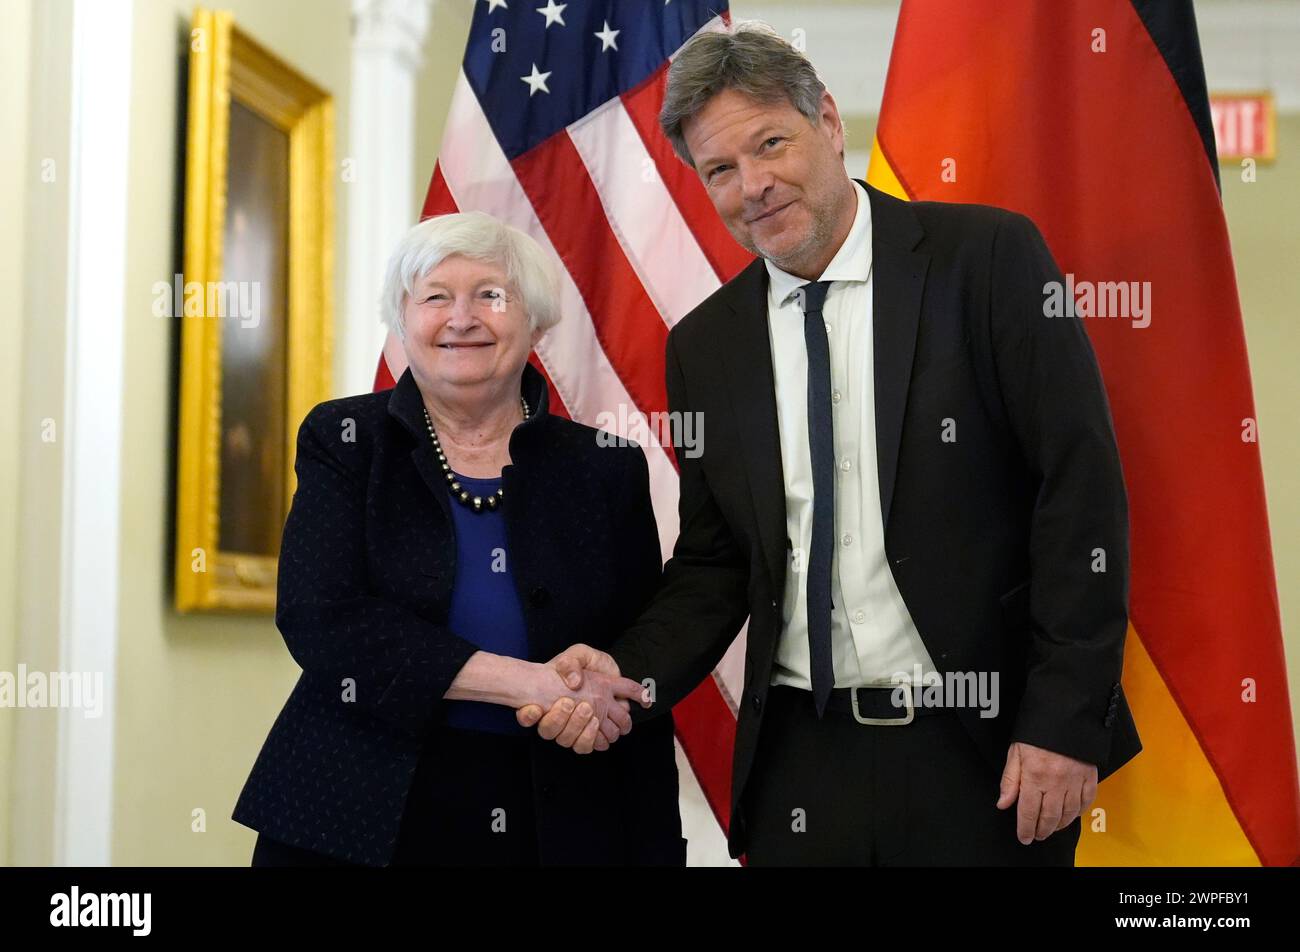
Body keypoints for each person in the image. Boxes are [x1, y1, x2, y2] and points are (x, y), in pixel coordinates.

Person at [519, 22, 1142, 866]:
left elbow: (1078, 495)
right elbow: (715, 563)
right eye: (720, 171)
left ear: (828, 120)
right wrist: (627, 670)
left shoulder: (987, 259)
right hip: (800, 767)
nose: (755, 186)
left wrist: (1066, 724)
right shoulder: (705, 343)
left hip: (984, 751)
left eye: (770, 143)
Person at [232, 211, 682, 866]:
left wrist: (656, 845)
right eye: (435, 297)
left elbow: (634, 655)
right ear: (403, 319)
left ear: (536, 320)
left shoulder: (605, 465)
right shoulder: (345, 440)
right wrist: (527, 683)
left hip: (562, 811)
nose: (461, 318)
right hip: (354, 805)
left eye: (491, 296)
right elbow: (321, 619)